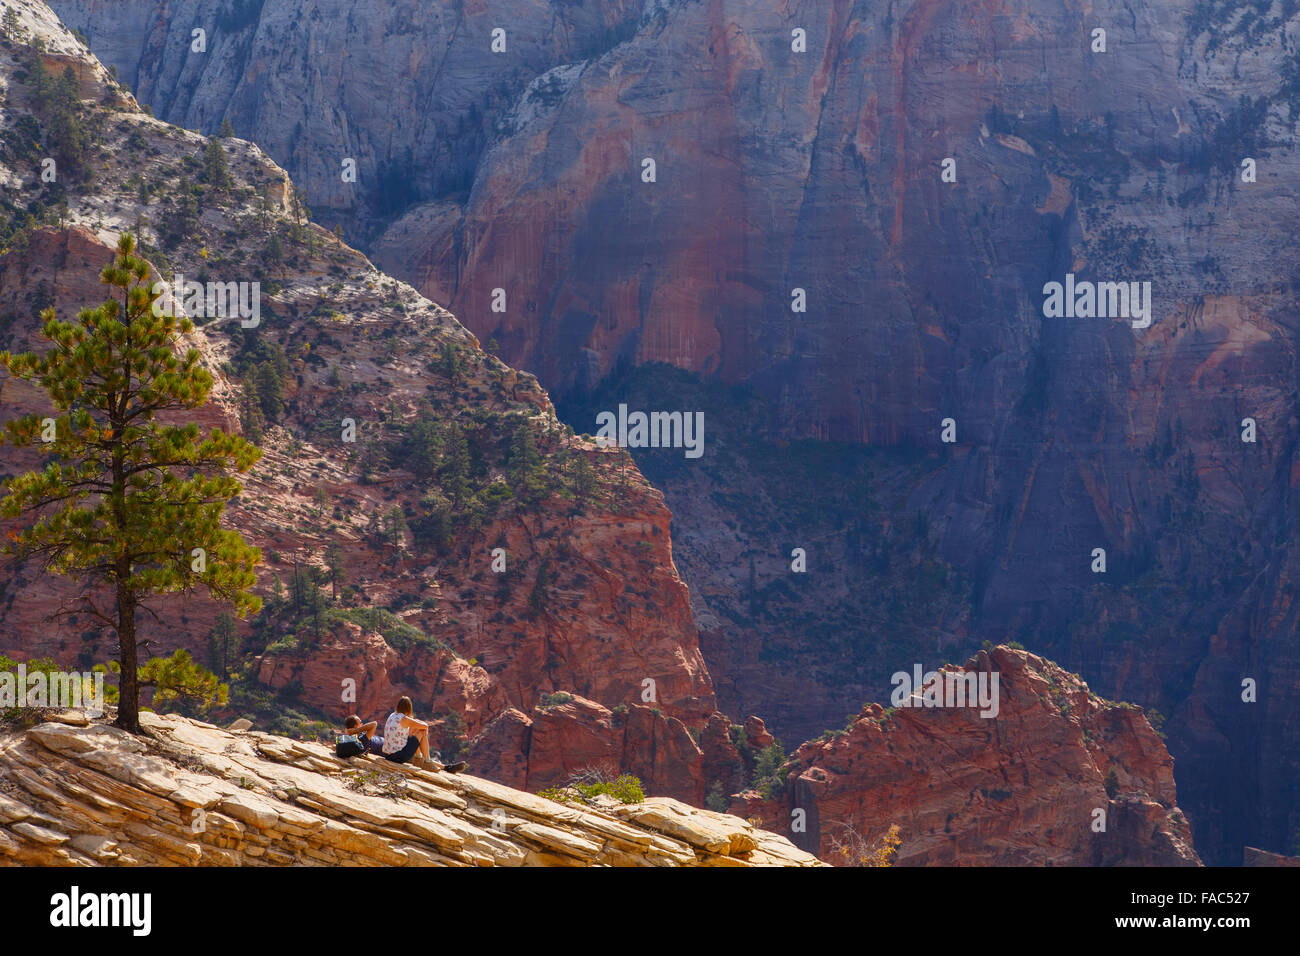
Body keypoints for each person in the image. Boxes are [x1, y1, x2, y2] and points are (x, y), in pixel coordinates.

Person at [382, 696, 433, 766]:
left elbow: (409, 732)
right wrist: (415, 721)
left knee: (414, 733)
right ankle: (427, 762)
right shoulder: (404, 719)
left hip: (387, 755)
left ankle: (419, 758)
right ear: (409, 708)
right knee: (422, 732)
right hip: (398, 756)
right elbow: (425, 726)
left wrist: (413, 722)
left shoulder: (392, 715)